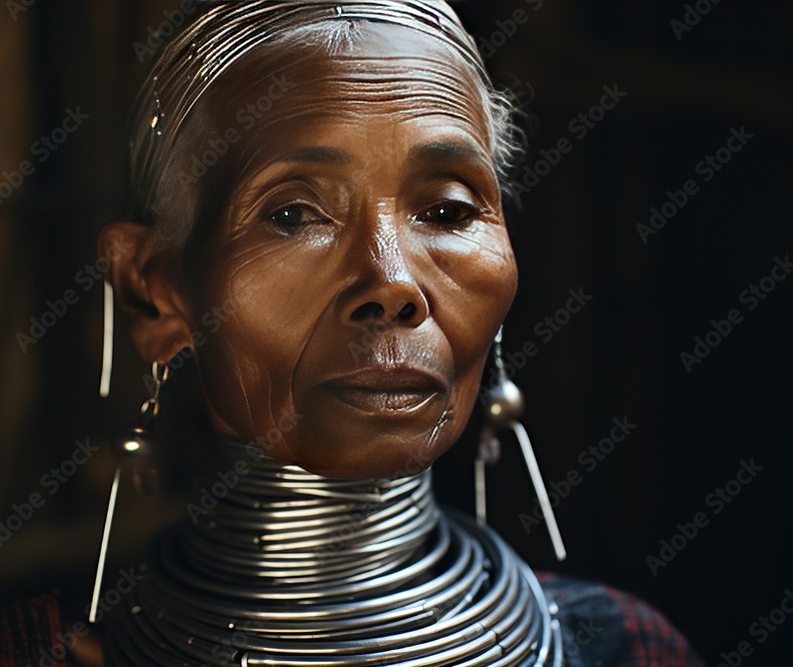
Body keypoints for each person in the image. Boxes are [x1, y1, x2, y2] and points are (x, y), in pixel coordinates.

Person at [90, 1, 706, 665]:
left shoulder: (628, 649)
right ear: (154, 295)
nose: (391, 283)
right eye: (294, 214)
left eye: (445, 210)